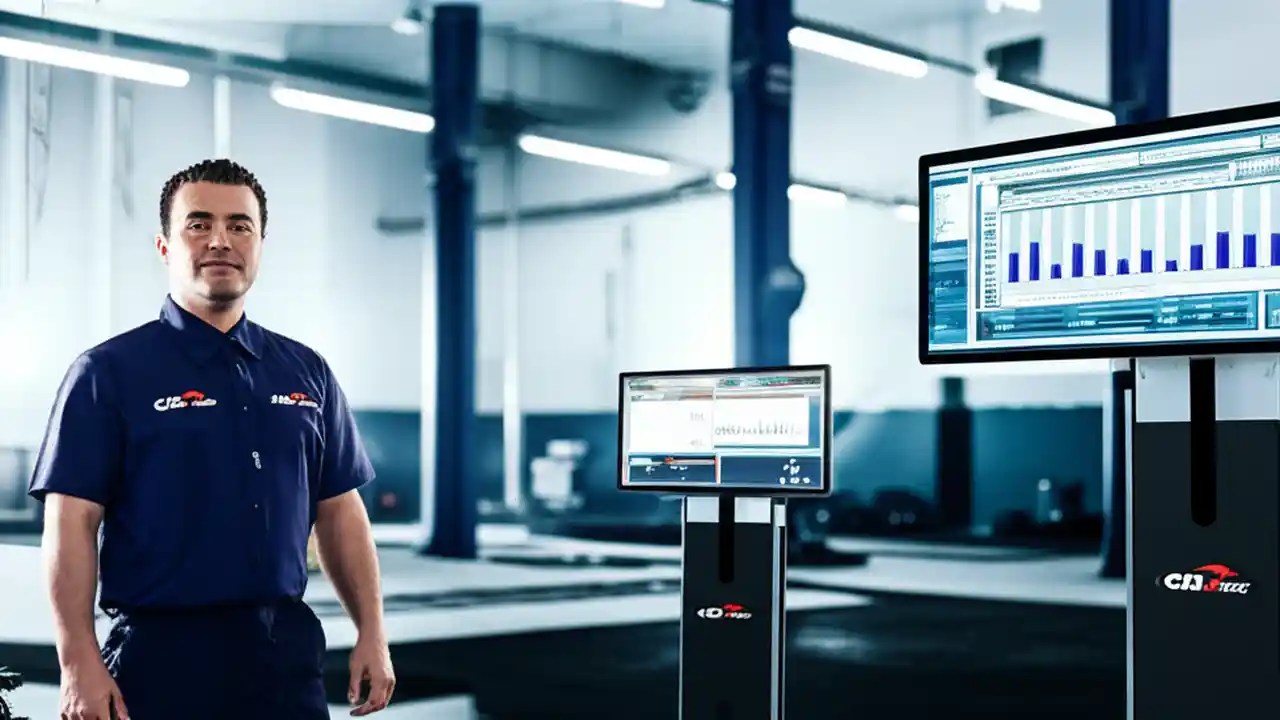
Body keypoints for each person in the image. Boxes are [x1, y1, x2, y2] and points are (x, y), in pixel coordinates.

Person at [28, 159, 396, 719]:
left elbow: (341, 511)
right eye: (198, 225)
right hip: (161, 660)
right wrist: (77, 661)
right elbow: (71, 522)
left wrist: (372, 630)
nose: (220, 240)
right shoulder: (108, 373)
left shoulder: (305, 372)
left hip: (283, 657)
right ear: (165, 246)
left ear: (260, 243)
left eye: (240, 226)